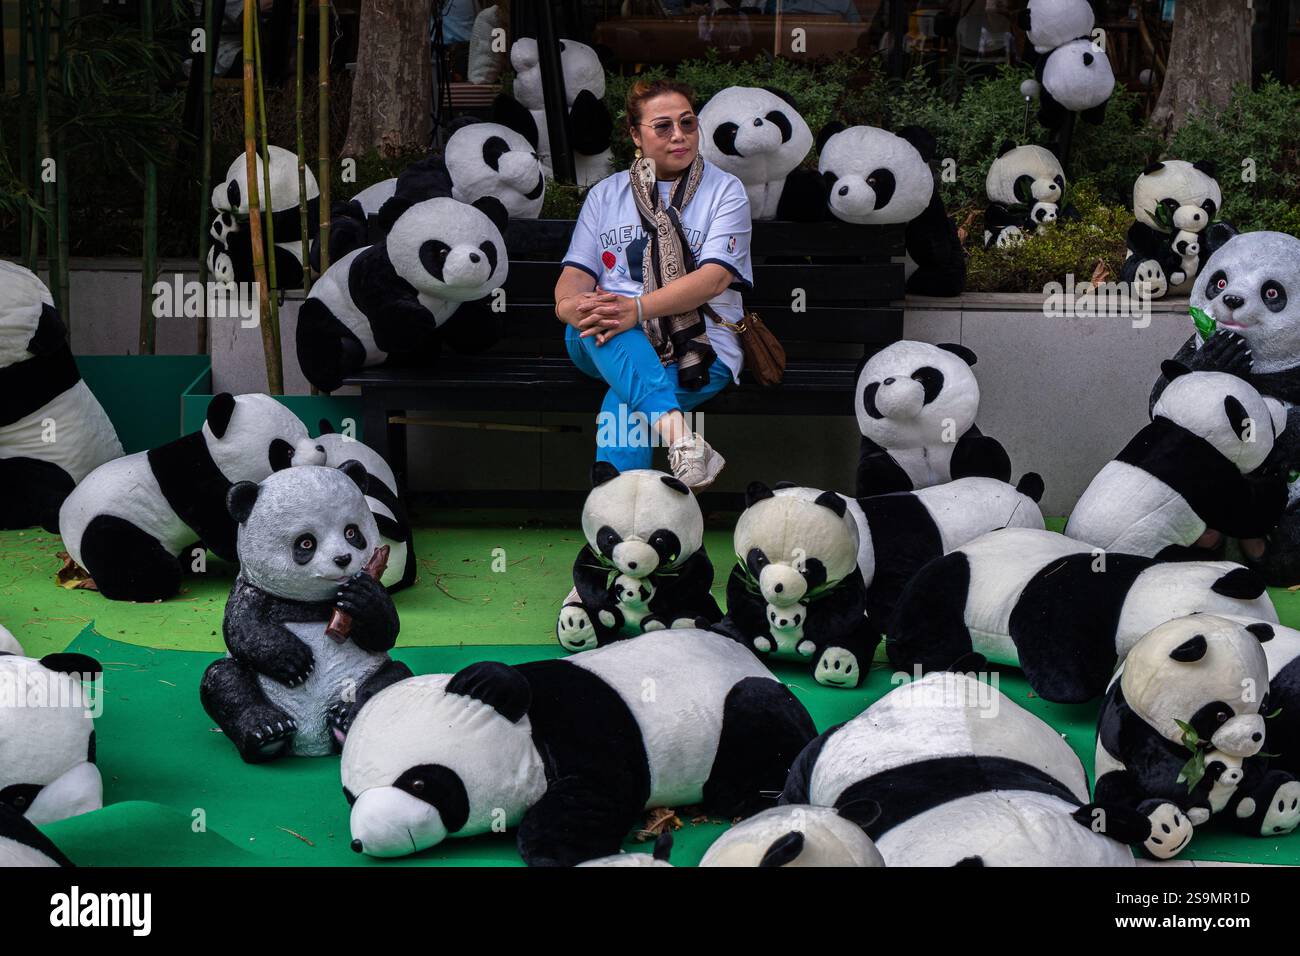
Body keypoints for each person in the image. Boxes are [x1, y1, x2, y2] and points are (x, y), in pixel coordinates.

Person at [553, 78, 753, 490]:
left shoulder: (725, 191)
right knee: (604, 322)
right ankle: (683, 444)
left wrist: (636, 311)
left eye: (687, 122)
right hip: (598, 337)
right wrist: (569, 307)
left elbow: (714, 278)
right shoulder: (606, 195)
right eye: (663, 126)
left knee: (624, 409)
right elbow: (573, 279)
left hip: (699, 345)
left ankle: (624, 527)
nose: (679, 135)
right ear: (635, 135)